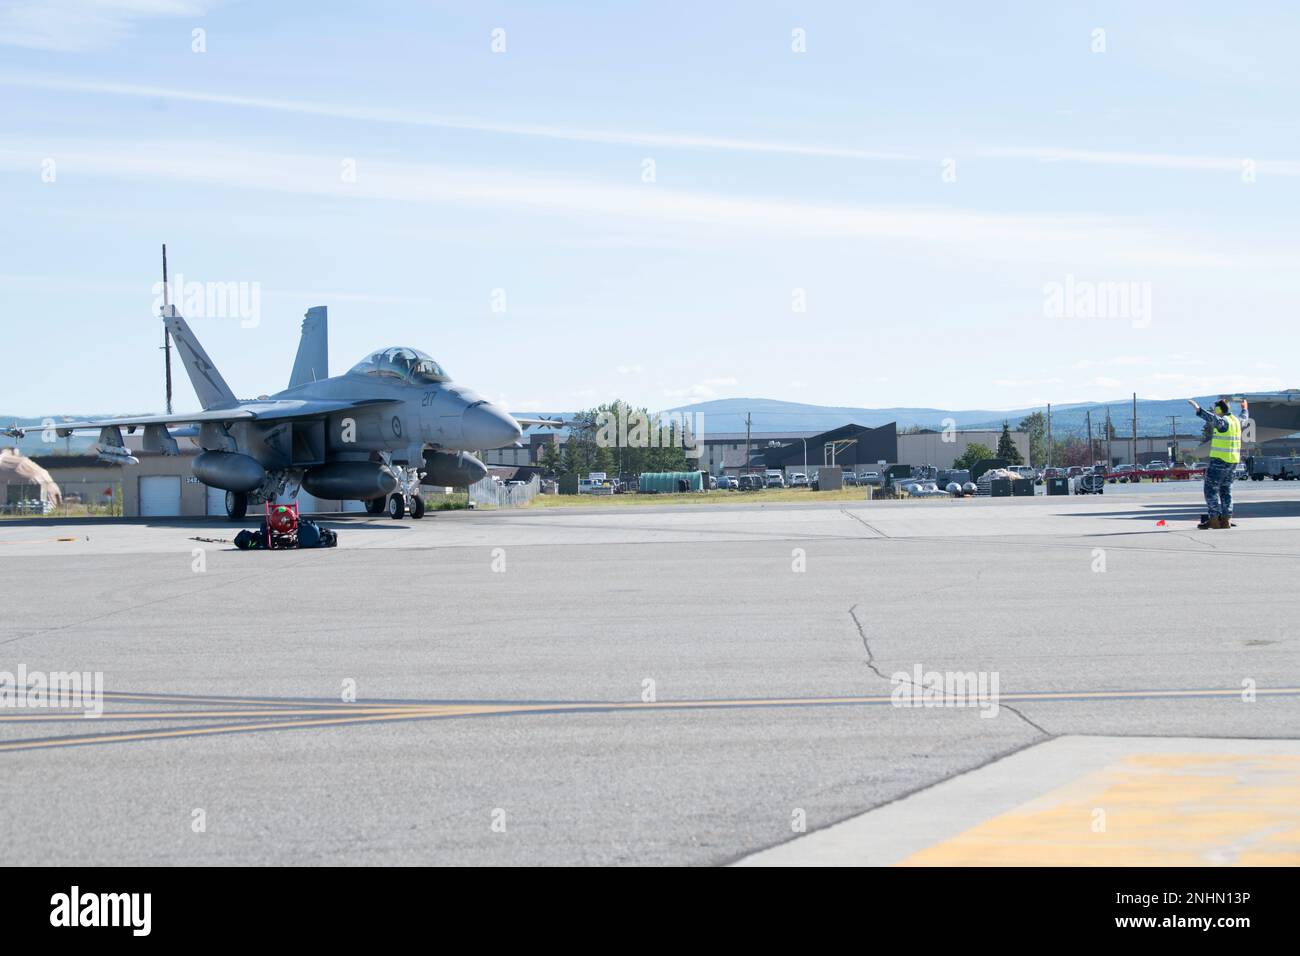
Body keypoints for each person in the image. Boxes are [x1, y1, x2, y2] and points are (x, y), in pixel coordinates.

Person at [1188, 397, 1247, 529]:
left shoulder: (1224, 421)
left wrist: (1197, 408)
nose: (1215, 411)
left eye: (1216, 409)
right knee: (1226, 491)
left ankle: (1214, 519)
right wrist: (1245, 409)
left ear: (1219, 410)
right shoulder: (1236, 421)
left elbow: (1211, 418)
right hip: (1233, 461)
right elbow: (1244, 417)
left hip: (1219, 461)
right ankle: (1226, 520)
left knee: (1210, 490)